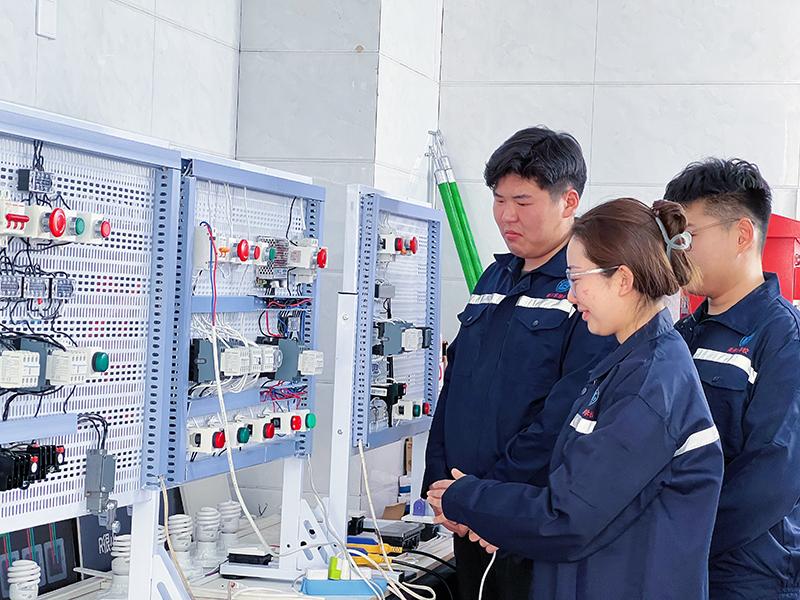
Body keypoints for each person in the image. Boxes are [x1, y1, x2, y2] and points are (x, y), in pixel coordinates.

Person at [428, 198, 724, 600]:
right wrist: (504, 524)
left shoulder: (650, 384)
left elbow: (568, 517)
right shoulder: (627, 363)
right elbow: (588, 493)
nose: (570, 296)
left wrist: (468, 498)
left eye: (577, 278)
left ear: (621, 280)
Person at [422, 127, 615, 599]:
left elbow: (566, 412)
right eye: (499, 199)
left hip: (527, 518)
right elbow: (455, 383)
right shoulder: (494, 276)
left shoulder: (584, 289)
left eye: (523, 201)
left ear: (568, 202)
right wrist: (440, 485)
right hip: (466, 515)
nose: (507, 215)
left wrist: (488, 495)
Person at [667, 158, 800, 599]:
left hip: (751, 573)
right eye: (675, 238)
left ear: (742, 234)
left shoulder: (782, 337)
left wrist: (679, 535)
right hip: (684, 560)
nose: (678, 251)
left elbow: (773, 474)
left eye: (689, 236)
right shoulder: (683, 334)